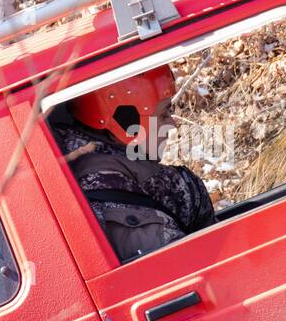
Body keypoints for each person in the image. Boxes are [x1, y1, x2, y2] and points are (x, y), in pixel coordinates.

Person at [54, 65, 215, 261]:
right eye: (164, 114)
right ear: (127, 123)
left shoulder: (115, 173)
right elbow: (179, 270)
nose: (172, 124)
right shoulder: (110, 190)